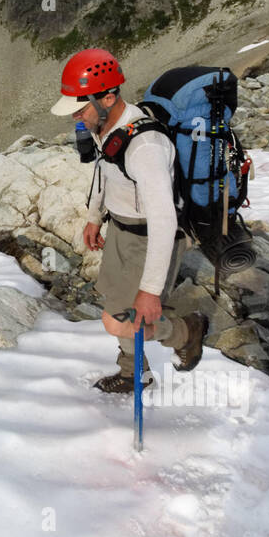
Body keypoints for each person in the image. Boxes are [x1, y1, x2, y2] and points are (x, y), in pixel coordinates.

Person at [50, 48, 208, 393]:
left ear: (108, 96)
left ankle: (186, 332)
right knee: (114, 300)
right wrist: (95, 216)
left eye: (81, 106)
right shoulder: (107, 124)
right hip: (121, 229)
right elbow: (105, 171)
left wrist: (150, 291)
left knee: (120, 321)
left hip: (149, 238)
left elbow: (165, 220)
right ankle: (133, 373)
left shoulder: (145, 146)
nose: (77, 116)